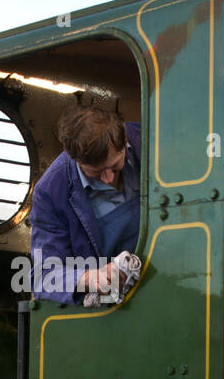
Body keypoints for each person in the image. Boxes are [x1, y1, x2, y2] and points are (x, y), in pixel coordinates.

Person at [29, 106, 141, 305]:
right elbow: (43, 276)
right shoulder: (49, 193)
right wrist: (88, 278)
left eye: (115, 166)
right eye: (95, 173)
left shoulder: (150, 139)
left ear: (124, 141)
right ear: (75, 159)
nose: (107, 179)